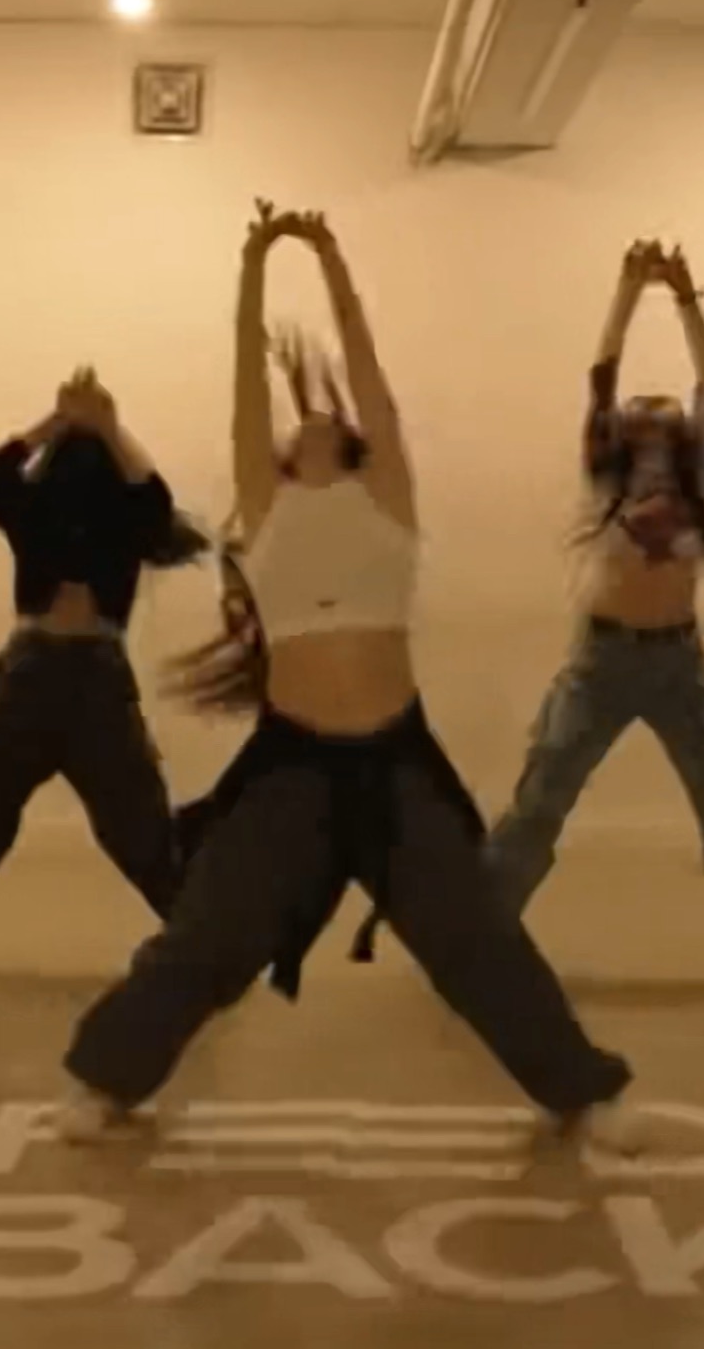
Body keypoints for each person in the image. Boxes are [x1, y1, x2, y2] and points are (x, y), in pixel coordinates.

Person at [60, 201, 638, 1144]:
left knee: (474, 936)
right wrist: (256, 260)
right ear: (286, 452)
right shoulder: (266, 506)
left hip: (394, 761)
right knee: (210, 935)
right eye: (303, 422)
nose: (317, 419)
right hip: (293, 765)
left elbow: (370, 377)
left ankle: (585, 1091)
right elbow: (246, 384)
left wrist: (328, 258)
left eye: (334, 418)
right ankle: (106, 1079)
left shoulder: (387, 500)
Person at [450, 238, 704, 1012]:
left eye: (669, 419)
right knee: (542, 797)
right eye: (644, 418)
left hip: (679, 666)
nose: (657, 422)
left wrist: (687, 297)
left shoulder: (698, 481)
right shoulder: (605, 477)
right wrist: (629, 290)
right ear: (626, 435)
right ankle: (473, 942)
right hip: (600, 661)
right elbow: (600, 380)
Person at [0, 369, 209, 973]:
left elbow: (152, 501)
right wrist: (58, 422)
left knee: (138, 822)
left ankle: (207, 935)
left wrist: (107, 426)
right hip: (32, 673)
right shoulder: (35, 511)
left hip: (92, 677)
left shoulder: (123, 518)